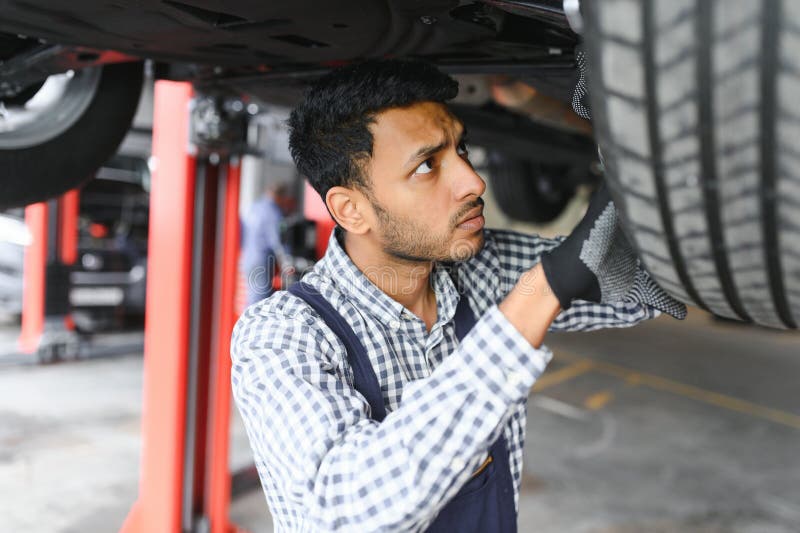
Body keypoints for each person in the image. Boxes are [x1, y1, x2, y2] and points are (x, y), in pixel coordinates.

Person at [231, 59, 686, 532]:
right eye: (427, 165)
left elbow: (644, 285)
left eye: (461, 149)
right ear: (352, 210)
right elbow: (346, 514)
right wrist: (539, 292)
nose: (473, 181)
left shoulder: (476, 270)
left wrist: (628, 141)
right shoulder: (281, 336)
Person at [240, 183, 292, 305]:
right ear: (279, 197)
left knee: (252, 296)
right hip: (261, 262)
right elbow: (278, 241)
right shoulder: (273, 212)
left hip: (248, 259)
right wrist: (287, 262)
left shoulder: (254, 207)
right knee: (259, 302)